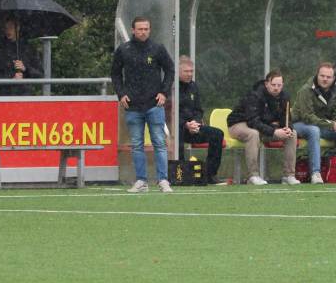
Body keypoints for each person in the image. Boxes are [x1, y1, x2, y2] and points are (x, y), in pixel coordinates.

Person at [111, 16, 174, 193]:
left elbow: (170, 70)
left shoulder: (157, 48)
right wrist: (121, 94)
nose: (143, 32)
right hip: (132, 105)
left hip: (154, 104)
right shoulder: (124, 50)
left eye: (146, 29)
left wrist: (164, 92)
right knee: (137, 145)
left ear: (150, 30)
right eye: (140, 29)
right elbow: (115, 74)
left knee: (159, 143)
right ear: (132, 30)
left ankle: (163, 180)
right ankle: (141, 181)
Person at [227, 69, 298, 186]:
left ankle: (288, 176)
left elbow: (286, 118)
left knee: (292, 133)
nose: (276, 88)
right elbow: (252, 121)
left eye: (279, 85)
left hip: (262, 126)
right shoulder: (255, 95)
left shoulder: (284, 95)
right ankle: (253, 176)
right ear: (266, 84)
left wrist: (287, 128)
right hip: (238, 124)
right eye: (273, 84)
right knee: (253, 134)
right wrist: (273, 132)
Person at [291, 62, 336, 185]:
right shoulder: (306, 90)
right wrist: (332, 125)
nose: (325, 79)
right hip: (300, 124)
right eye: (322, 76)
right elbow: (308, 118)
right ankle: (315, 173)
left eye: (328, 77)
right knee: (314, 130)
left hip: (322, 126)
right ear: (317, 75)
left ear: (334, 78)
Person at [177, 56, 226, 186]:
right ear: (178, 72)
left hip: (193, 128)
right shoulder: (172, 88)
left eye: (191, 71)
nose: (189, 74)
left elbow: (198, 110)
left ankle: (209, 175)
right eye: (186, 71)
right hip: (177, 128)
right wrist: (185, 124)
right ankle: (180, 175)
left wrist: (195, 123)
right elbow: (168, 114)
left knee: (217, 134)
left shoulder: (193, 86)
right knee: (178, 135)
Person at [0, 17, 42, 96]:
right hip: (4, 96)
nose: (8, 30)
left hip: (26, 96)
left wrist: (25, 69)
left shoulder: (30, 50)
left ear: (18, 27)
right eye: (5, 28)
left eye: (10, 27)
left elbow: (40, 74)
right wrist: (10, 79)